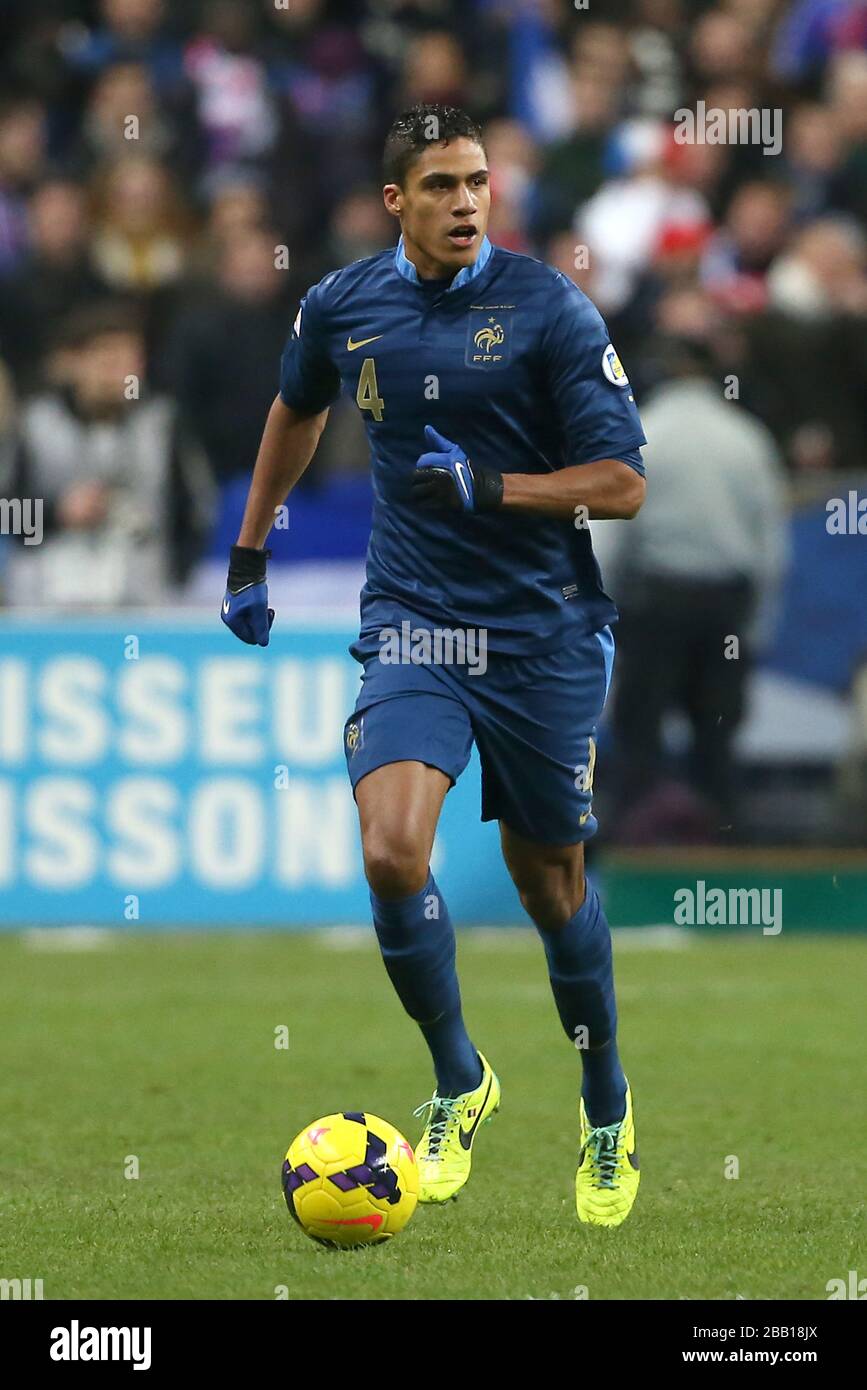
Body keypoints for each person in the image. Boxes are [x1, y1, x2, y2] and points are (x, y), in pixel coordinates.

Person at [221, 104, 647, 1228]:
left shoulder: (549, 308)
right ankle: (461, 1078)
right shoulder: (342, 305)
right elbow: (295, 408)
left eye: (479, 181)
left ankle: (606, 1109)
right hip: (415, 620)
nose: (468, 202)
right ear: (395, 202)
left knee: (550, 891)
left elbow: (621, 482)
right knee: (393, 849)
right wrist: (250, 549)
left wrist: (497, 488)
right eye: (444, 185)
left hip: (544, 631)